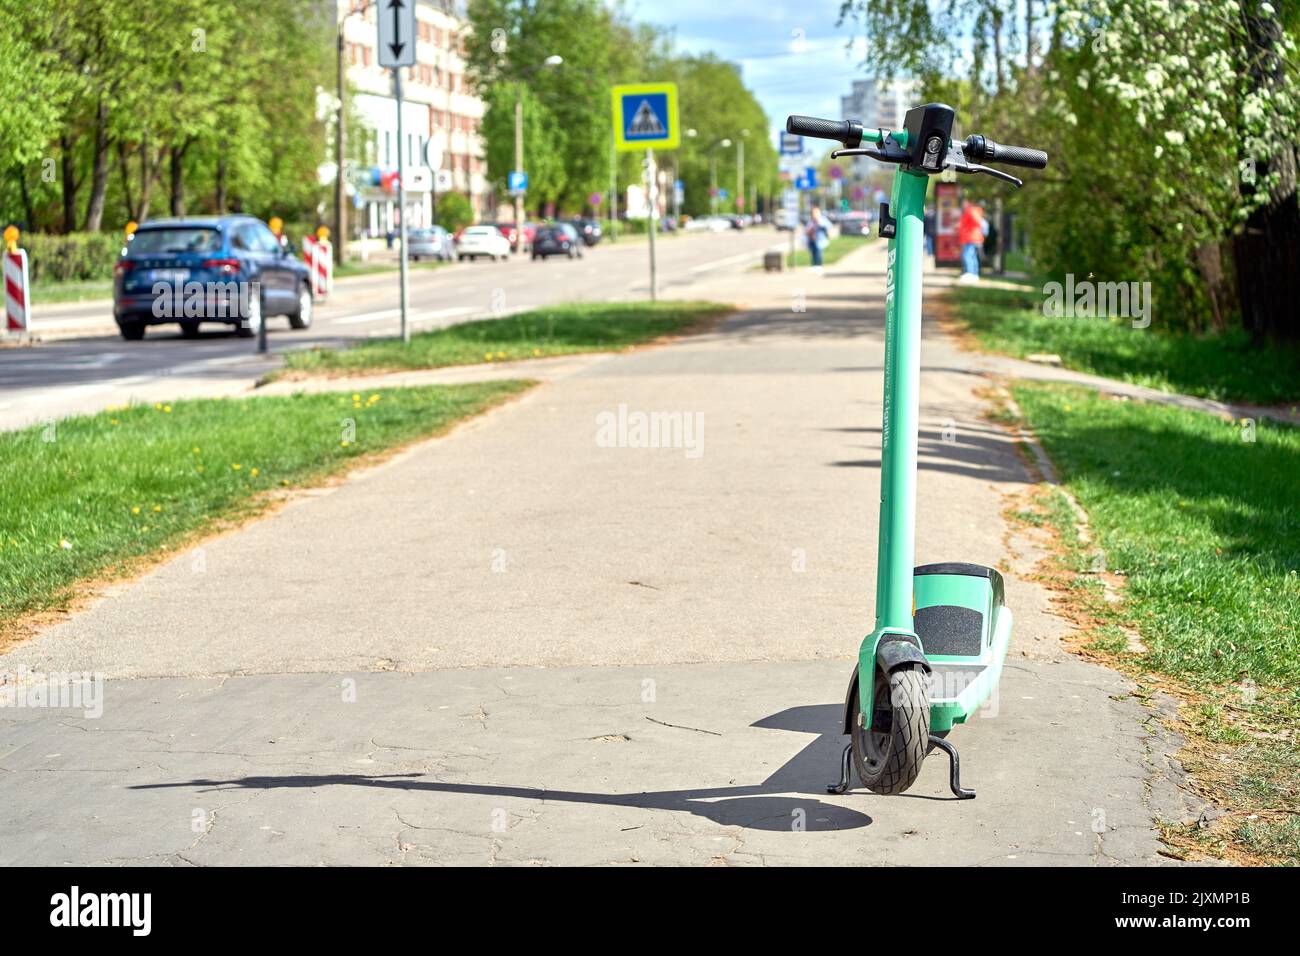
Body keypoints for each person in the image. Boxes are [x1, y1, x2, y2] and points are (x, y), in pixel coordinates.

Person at [957, 200, 987, 283]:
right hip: (974, 237)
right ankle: (974, 274)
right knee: (972, 256)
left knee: (967, 256)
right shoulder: (976, 211)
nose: (963, 204)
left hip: (970, 237)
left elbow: (974, 222)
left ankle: (970, 274)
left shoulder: (970, 210)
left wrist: (960, 226)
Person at [807, 205, 830, 273]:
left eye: (815, 212)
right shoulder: (810, 222)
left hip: (820, 240)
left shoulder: (822, 220)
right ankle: (814, 266)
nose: (814, 214)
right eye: (813, 213)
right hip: (812, 240)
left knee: (818, 253)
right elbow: (807, 230)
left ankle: (819, 266)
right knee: (813, 253)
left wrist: (818, 222)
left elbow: (827, 226)